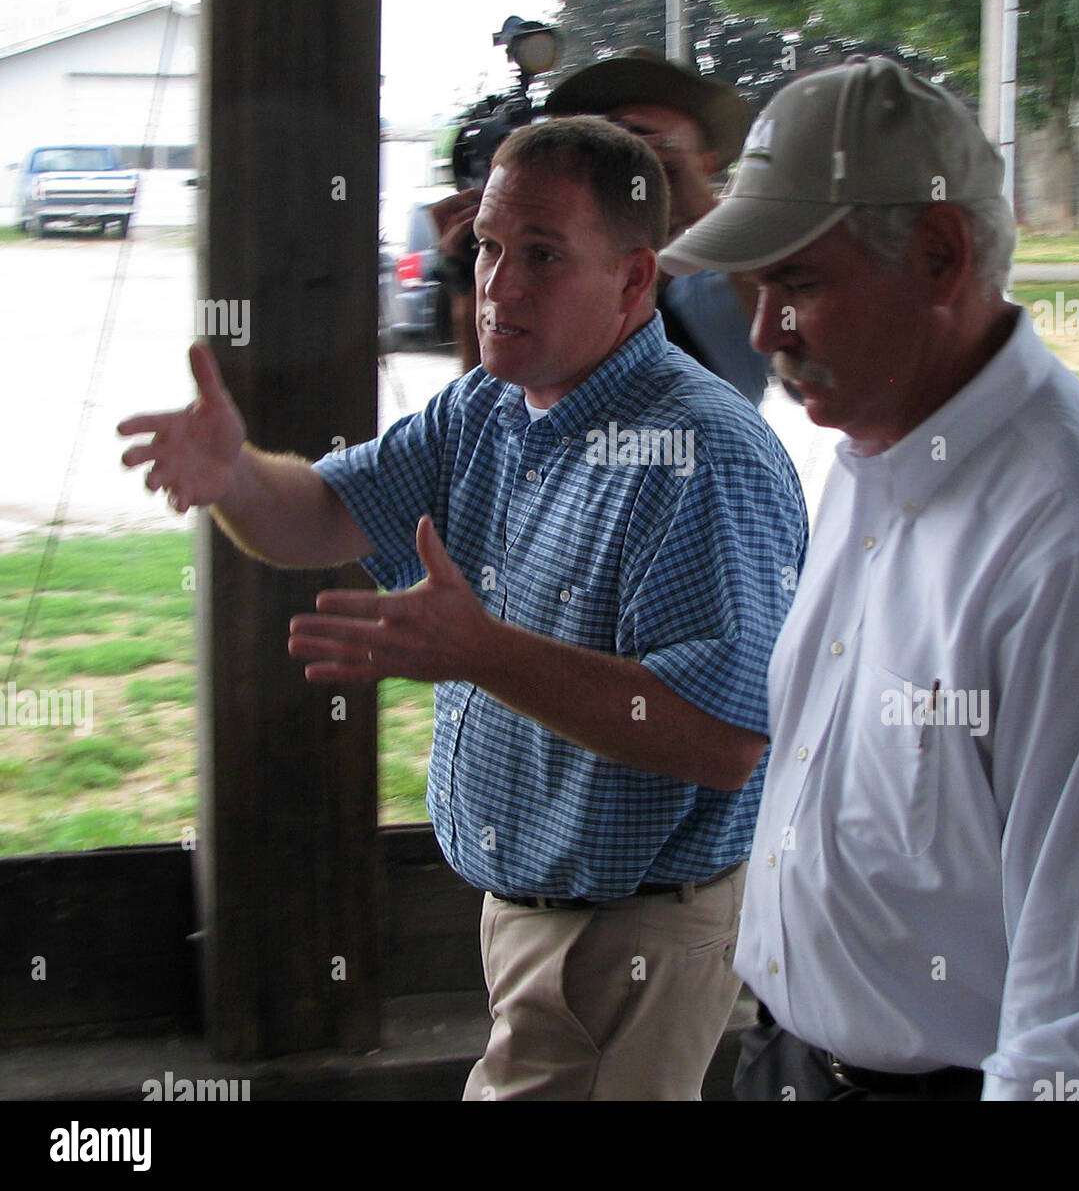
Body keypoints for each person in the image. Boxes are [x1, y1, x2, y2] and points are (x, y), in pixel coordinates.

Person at [119, 116, 808, 1101]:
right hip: (528, 919)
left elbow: (725, 738)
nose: (498, 283)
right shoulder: (488, 407)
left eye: (542, 255)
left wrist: (483, 652)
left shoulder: (702, 453)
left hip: (633, 939)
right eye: (486, 245)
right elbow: (320, 512)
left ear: (633, 278)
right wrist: (232, 475)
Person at [658, 56, 1079, 1102]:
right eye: (755, 290)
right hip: (792, 1060)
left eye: (797, 285)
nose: (762, 335)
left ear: (938, 255)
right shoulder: (876, 450)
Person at [435, 47, 771, 404]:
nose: (620, 155)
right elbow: (493, 406)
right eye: (607, 133)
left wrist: (700, 206)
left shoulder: (727, 273)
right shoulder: (571, 259)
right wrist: (466, 278)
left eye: (641, 135)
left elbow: (791, 343)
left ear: (704, 162)